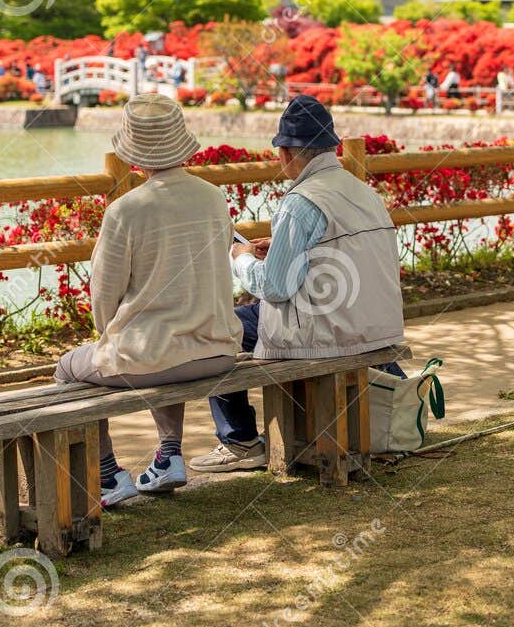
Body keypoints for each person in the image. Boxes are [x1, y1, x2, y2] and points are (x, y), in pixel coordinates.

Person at [192, 96, 407, 473]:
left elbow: (275, 288)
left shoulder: (300, 201)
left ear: (288, 151)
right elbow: (347, 251)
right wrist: (280, 247)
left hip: (325, 327)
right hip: (373, 323)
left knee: (214, 329)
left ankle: (239, 440)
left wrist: (240, 258)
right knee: (240, 321)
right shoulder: (362, 191)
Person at [52, 95, 243, 507]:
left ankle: (106, 476)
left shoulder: (126, 210)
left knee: (68, 369)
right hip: (218, 348)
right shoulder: (213, 197)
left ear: (135, 152)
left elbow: (104, 294)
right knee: (166, 350)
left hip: (155, 355)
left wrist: (109, 336)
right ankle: (168, 455)